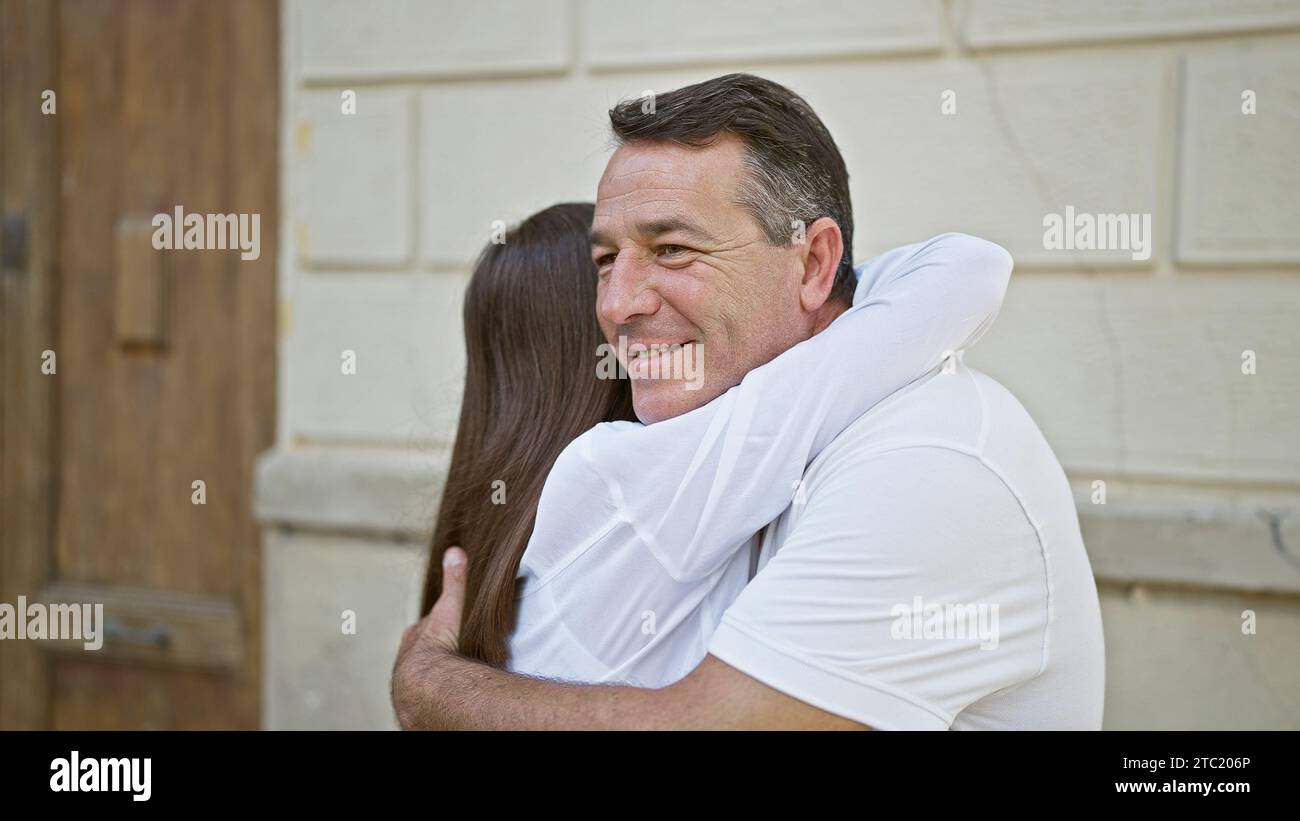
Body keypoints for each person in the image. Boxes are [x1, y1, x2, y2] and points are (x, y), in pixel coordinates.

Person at [395, 74, 1105, 730]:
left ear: (815, 262)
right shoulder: (752, 417)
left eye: (672, 248)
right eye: (605, 260)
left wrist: (429, 684)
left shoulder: (929, 461)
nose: (616, 304)